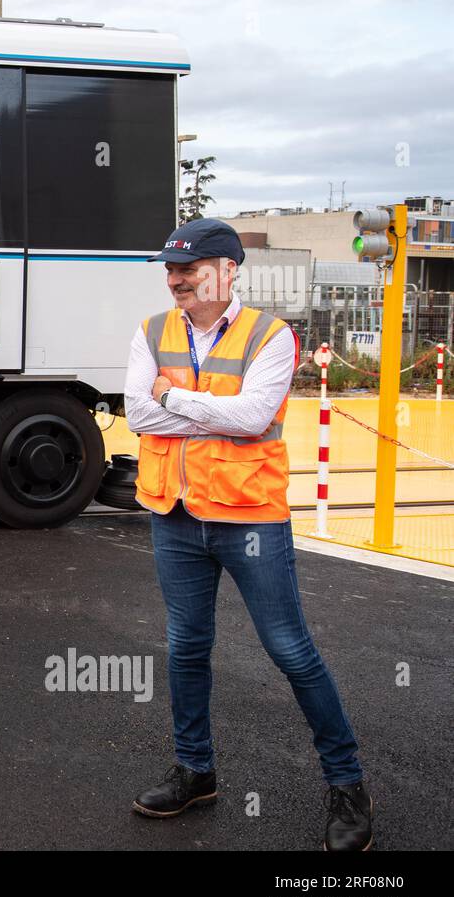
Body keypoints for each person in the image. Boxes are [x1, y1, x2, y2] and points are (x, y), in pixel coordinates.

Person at [126, 218, 371, 851]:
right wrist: (199, 408)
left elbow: (254, 417)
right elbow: (136, 412)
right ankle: (195, 770)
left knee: (290, 650)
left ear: (229, 270)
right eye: (171, 269)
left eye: (190, 268)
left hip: (248, 519)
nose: (176, 278)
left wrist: (172, 397)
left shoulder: (272, 336)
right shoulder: (151, 332)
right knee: (185, 648)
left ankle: (347, 786)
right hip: (174, 515)